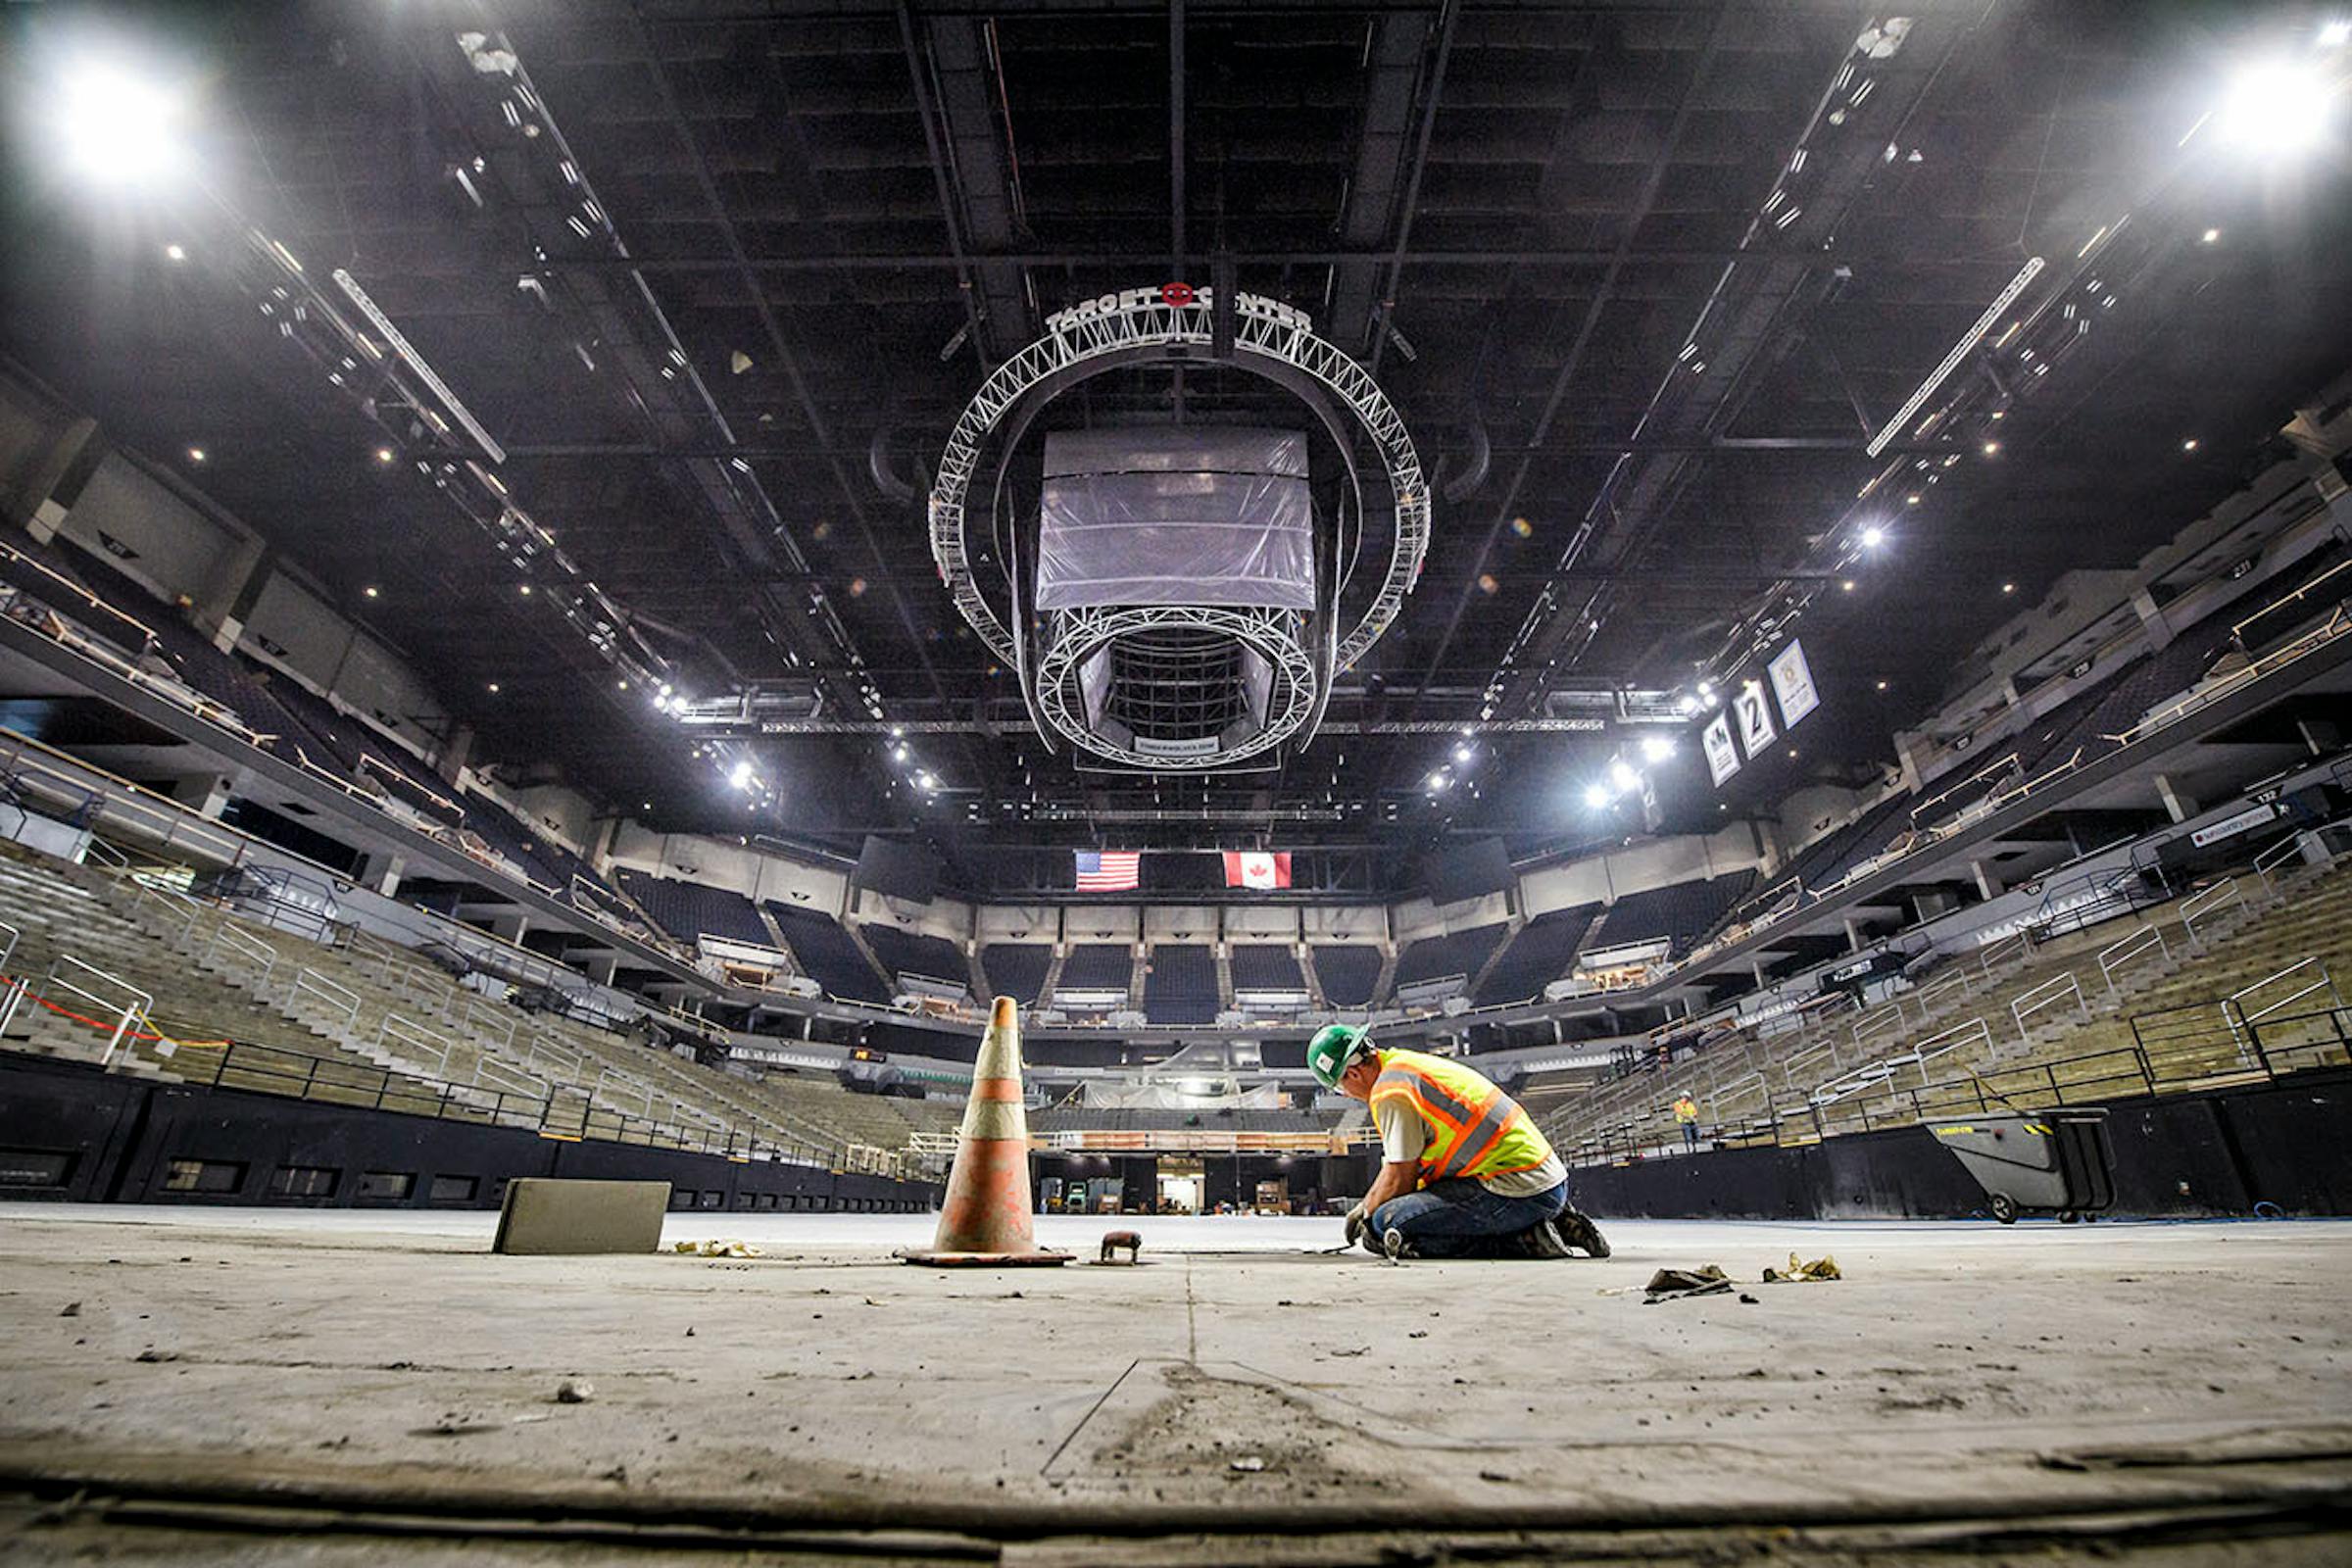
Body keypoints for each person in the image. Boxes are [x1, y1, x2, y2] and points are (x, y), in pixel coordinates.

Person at [1306, 1023, 1609, 1261]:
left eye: (1340, 1088)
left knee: (1386, 1224)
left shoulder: (1391, 1092)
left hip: (1514, 1191)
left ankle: (1526, 1240)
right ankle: (1554, 1222)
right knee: (1394, 1210)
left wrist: (1367, 1214)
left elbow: (1401, 1177)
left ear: (1353, 1073)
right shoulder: (1404, 1065)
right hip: (1543, 1182)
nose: (1346, 1094)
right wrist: (1364, 1205)